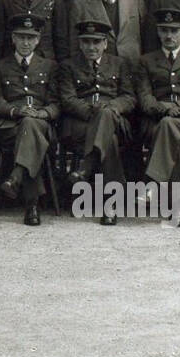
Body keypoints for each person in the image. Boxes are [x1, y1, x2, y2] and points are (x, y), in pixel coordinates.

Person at [135, 9, 180, 227]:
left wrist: (177, 108)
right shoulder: (146, 61)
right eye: (164, 31)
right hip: (156, 121)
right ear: (158, 33)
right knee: (169, 133)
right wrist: (163, 110)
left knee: (169, 127)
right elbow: (144, 97)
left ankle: (151, 184)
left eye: (174, 31)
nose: (169, 35)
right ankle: (176, 208)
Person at [58, 20, 137, 225]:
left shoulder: (119, 64)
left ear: (105, 43)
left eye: (96, 42)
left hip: (115, 121)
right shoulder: (68, 66)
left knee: (107, 119)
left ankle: (86, 167)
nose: (91, 47)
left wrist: (111, 109)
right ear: (80, 43)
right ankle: (111, 204)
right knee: (108, 138)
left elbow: (129, 97)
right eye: (86, 42)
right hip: (80, 125)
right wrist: (95, 113)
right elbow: (67, 99)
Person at [0, 13, 60, 226]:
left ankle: (16, 177)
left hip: (40, 125)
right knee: (31, 136)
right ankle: (32, 205)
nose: (26, 42)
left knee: (32, 130)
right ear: (13, 38)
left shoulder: (49, 66)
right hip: (10, 127)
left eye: (30, 37)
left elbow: (56, 103)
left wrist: (42, 114)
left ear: (38, 39)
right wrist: (16, 111)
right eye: (21, 37)